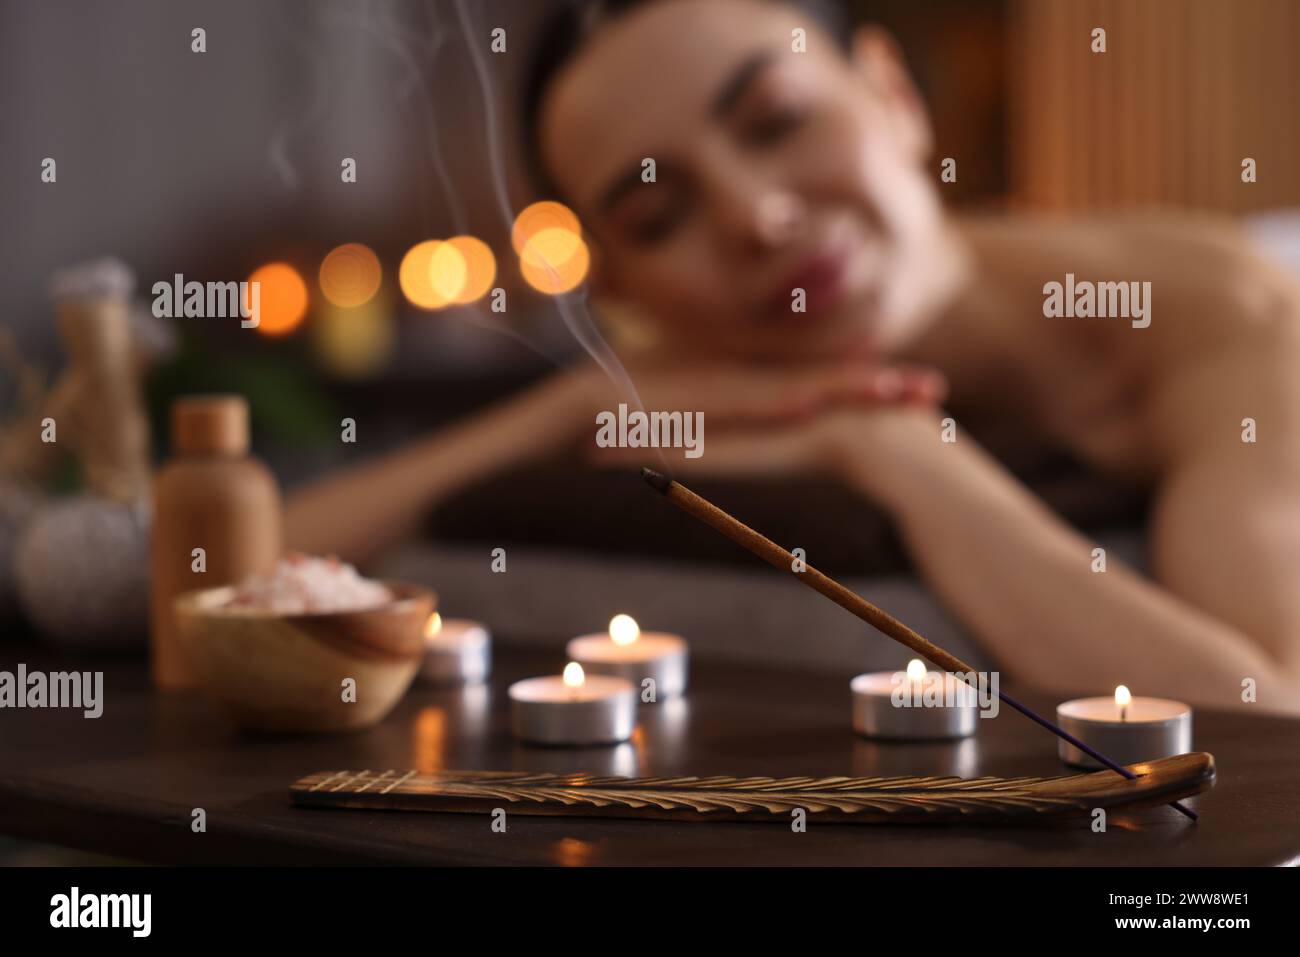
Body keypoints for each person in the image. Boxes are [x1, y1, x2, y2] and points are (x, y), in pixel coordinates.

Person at [287, 0, 1300, 714]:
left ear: (895, 95)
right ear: (622, 293)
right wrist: (565, 410)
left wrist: (900, 456)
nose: (757, 218)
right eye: (659, 214)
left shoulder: (1230, 317)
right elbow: (255, 560)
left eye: (778, 121)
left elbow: (1266, 721)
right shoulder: (685, 373)